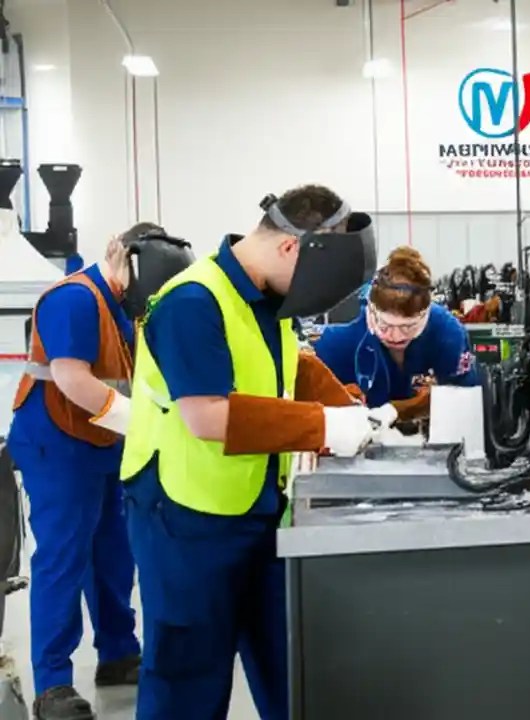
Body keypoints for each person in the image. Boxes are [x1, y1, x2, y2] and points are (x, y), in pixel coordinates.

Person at [118, 185, 385, 719]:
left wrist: (365, 415)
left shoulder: (268, 300)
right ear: (292, 248)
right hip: (184, 520)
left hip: (257, 512)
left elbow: (293, 367)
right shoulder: (191, 300)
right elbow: (208, 415)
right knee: (187, 685)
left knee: (287, 668)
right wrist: (327, 425)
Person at [9, 223, 195, 720]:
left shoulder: (133, 305)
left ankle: (117, 652)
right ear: (122, 256)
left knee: (114, 552)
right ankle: (51, 684)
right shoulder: (74, 299)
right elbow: (72, 379)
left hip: (107, 442)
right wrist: (145, 422)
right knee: (64, 558)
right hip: (57, 444)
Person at [313, 245, 480, 425]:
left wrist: (407, 408)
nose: (395, 336)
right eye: (385, 325)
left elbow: (463, 399)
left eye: (408, 327)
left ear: (426, 315)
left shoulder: (447, 333)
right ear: (371, 311)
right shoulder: (340, 335)